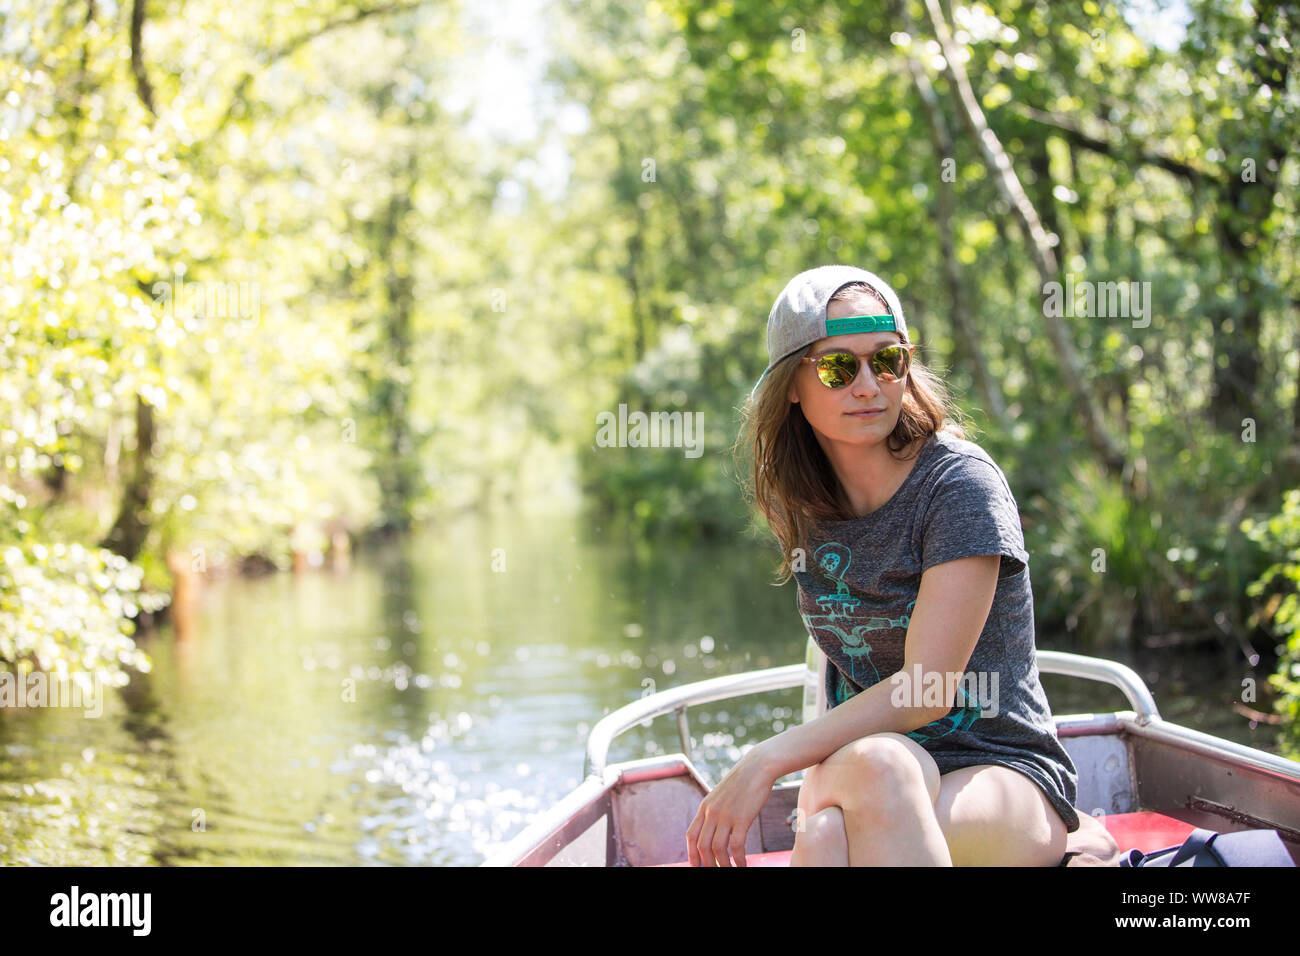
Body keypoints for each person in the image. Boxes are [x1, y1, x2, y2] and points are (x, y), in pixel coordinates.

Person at [684, 264, 1080, 867]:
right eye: (838, 368)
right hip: (861, 770)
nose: (867, 386)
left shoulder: (958, 486)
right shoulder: (808, 503)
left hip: (1001, 776)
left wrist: (767, 759)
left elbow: (926, 690)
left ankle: (1079, 842)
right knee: (876, 772)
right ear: (792, 385)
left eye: (887, 361)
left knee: (831, 835)